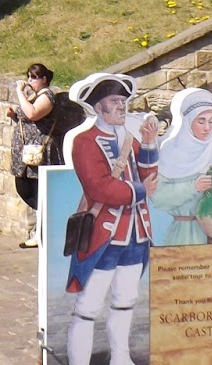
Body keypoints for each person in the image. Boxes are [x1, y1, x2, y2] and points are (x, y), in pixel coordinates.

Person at [65, 72, 159, 365]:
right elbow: (99, 187)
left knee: (125, 302)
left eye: (123, 101)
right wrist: (139, 190)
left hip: (135, 233)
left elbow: (148, 177)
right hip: (103, 236)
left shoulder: (129, 139)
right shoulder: (84, 141)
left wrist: (149, 143)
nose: (122, 106)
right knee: (88, 307)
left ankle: (121, 358)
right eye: (115, 101)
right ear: (98, 107)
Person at [152, 87, 212, 247]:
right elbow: (158, 198)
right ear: (187, 121)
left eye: (211, 120)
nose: (207, 127)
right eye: (201, 121)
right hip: (185, 235)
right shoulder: (170, 152)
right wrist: (193, 187)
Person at [10, 62, 57, 248]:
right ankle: (38, 231)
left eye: (34, 78)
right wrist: (13, 115)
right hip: (25, 153)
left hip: (40, 152)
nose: (29, 81)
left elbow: (33, 114)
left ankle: (41, 233)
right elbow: (26, 119)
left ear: (44, 79)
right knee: (24, 188)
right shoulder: (33, 96)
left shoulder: (47, 96)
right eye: (28, 77)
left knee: (38, 192)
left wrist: (19, 92)